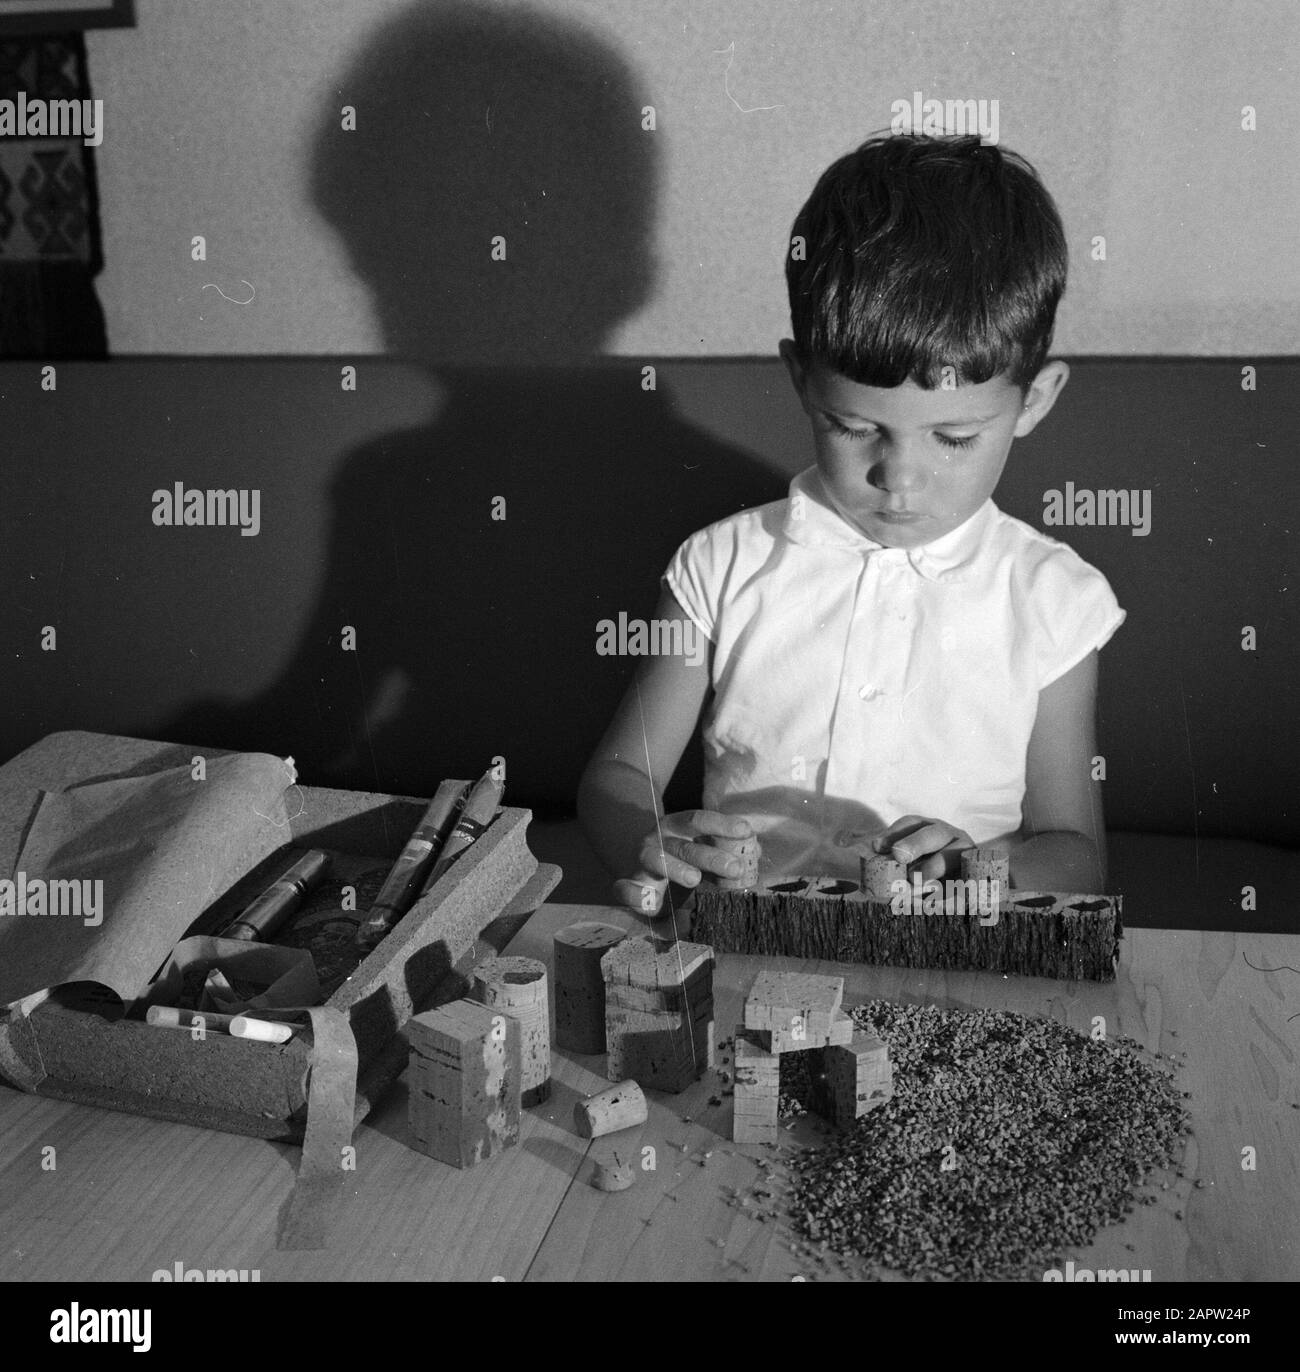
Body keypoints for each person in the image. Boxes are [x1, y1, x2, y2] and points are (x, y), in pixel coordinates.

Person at [578, 133, 1124, 915]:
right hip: (743, 945)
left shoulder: (1055, 599)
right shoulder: (719, 567)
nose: (899, 478)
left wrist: (982, 870)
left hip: (956, 968)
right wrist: (656, 843)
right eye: (854, 426)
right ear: (801, 381)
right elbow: (618, 778)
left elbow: (1076, 855)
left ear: (1033, 401)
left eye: (954, 438)